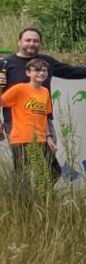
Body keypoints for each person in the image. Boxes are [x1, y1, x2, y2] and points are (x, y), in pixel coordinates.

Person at [0, 26, 86, 140]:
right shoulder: (6, 64)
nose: (31, 43)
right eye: (28, 40)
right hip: (15, 121)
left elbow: (72, 72)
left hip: (43, 120)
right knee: (23, 159)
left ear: (40, 43)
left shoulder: (46, 62)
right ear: (19, 42)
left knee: (48, 157)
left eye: (36, 41)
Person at [2, 58, 59, 187]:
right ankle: (21, 204)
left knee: (54, 171)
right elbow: (2, 101)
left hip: (40, 139)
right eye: (37, 70)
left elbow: (44, 116)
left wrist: (48, 137)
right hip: (22, 139)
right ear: (28, 73)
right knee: (22, 175)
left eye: (44, 70)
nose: (41, 73)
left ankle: (42, 199)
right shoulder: (19, 89)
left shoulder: (45, 92)